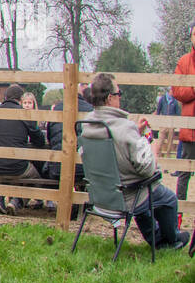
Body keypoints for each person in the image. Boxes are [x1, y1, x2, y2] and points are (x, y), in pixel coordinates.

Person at [81, 72, 190, 250]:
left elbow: (112, 149)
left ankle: (158, 241)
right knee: (167, 198)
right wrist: (154, 145)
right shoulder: (123, 127)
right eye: (119, 93)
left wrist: (135, 134)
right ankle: (172, 240)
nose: (120, 97)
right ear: (110, 98)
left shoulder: (86, 124)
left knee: (144, 197)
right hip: (127, 196)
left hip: (100, 195)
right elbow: (147, 169)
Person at [0, 83, 47, 215]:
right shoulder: (24, 114)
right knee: (35, 178)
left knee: (7, 171)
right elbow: (39, 140)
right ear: (20, 100)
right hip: (17, 167)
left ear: (5, 97)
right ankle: (16, 201)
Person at [170, 19, 195, 228]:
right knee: (184, 173)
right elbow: (176, 91)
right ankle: (178, 218)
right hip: (190, 129)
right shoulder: (184, 61)